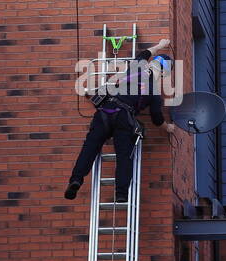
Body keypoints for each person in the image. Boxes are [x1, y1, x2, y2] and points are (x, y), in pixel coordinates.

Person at [65, 37, 175, 202]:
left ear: (153, 63)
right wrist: (168, 128)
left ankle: (76, 179)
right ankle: (121, 193)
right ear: (164, 73)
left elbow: (145, 53)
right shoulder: (154, 93)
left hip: (105, 111)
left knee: (90, 148)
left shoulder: (137, 66)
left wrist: (160, 45)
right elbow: (157, 120)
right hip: (124, 118)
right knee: (124, 155)